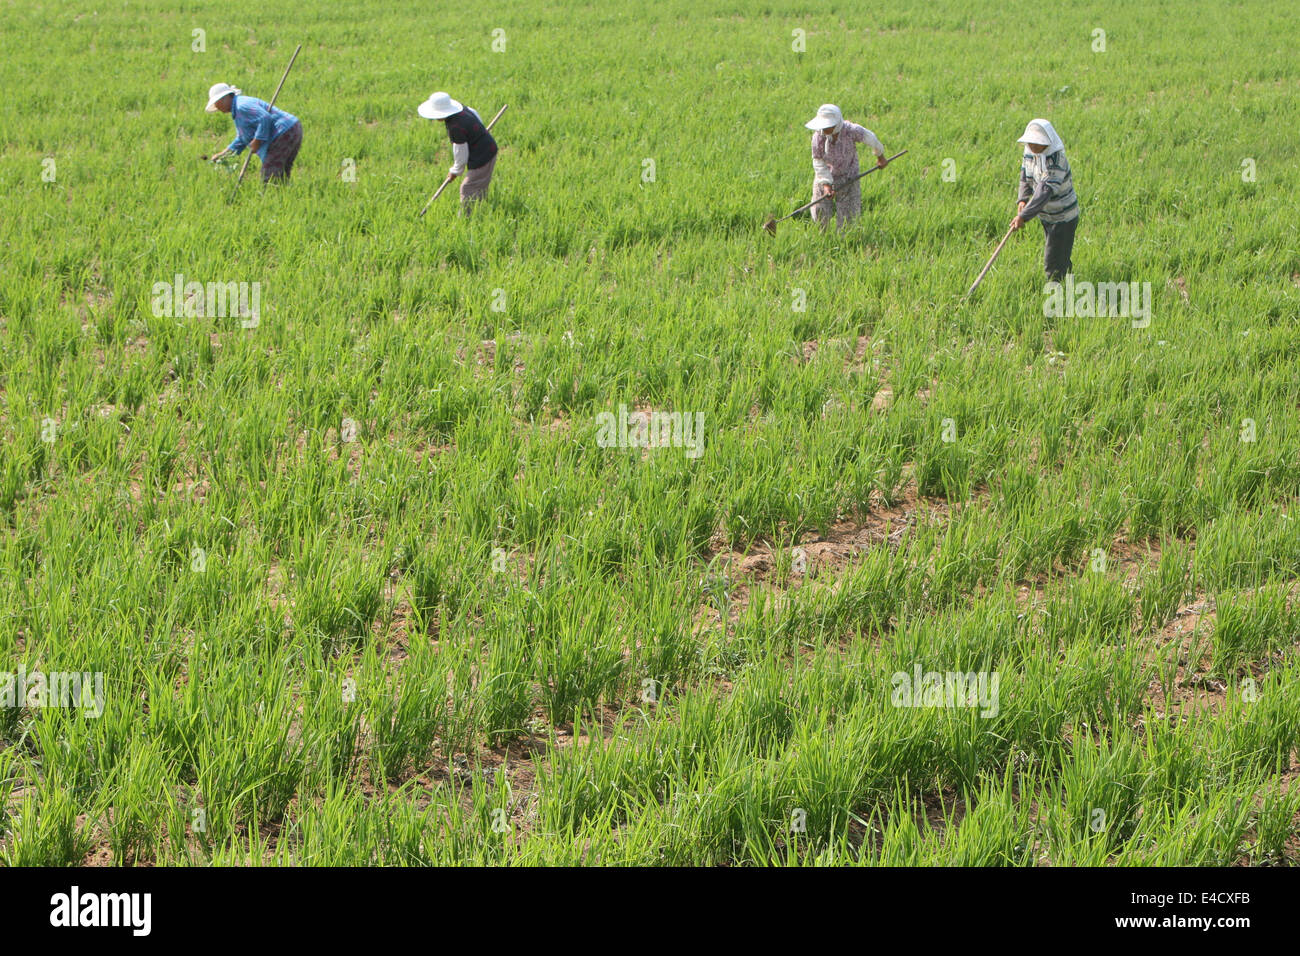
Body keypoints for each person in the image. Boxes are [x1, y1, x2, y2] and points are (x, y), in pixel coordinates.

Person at [1009, 120, 1079, 282]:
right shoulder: (1030, 153)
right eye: (1030, 142)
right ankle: (1066, 281)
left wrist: (1024, 216)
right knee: (1059, 254)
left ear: (1047, 142)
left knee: (1052, 261)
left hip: (1063, 217)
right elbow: (1025, 177)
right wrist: (1022, 200)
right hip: (1047, 216)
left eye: (1037, 143)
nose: (1032, 146)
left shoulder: (1056, 161)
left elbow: (1044, 192)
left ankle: (1056, 290)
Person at [805, 104, 888, 229]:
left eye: (828, 126)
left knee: (848, 216)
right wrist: (827, 185)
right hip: (825, 175)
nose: (824, 129)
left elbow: (871, 139)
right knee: (820, 211)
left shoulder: (851, 131)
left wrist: (880, 156)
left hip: (849, 175)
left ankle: (846, 240)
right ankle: (822, 237)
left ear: (837, 123)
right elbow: (818, 161)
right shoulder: (818, 137)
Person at [204, 82, 302, 183]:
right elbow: (242, 138)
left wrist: (257, 140)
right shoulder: (238, 110)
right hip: (291, 128)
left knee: (269, 177)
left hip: (283, 132)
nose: (217, 107)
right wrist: (223, 154)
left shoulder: (241, 106)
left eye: (217, 102)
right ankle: (281, 195)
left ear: (225, 98)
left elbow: (264, 118)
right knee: (280, 174)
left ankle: (269, 197)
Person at [417, 92, 498, 214]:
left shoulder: (455, 127)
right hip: (487, 148)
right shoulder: (462, 109)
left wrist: (455, 171)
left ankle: (467, 218)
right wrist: (480, 131)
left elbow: (461, 154)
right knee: (479, 184)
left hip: (483, 156)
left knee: (468, 187)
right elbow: (475, 114)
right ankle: (480, 209)